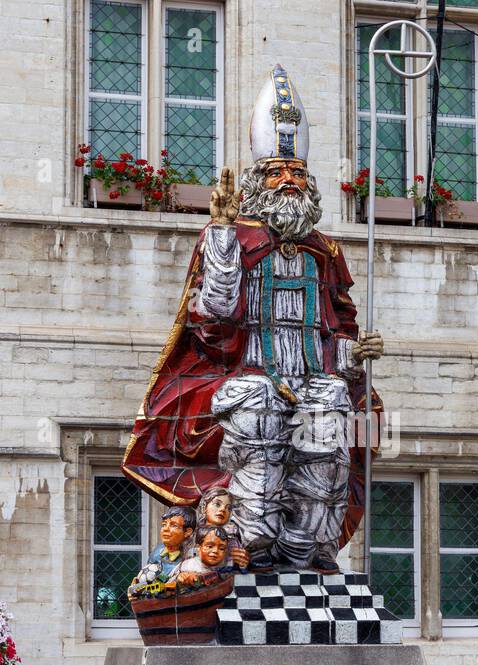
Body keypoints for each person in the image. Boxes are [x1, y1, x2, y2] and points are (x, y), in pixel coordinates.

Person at [121, 65, 383, 574]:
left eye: (298, 174)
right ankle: (248, 547)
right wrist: (219, 231)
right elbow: (214, 315)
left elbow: (337, 334)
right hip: (244, 376)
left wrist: (357, 355)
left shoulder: (324, 251)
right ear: (256, 183)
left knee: (330, 414)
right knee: (259, 417)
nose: (289, 180)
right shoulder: (231, 239)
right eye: (277, 173)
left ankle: (309, 552)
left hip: (312, 379)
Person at [127, 506, 195, 598]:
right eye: (164, 524)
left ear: (187, 532)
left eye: (173, 525)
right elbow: (150, 580)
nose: (165, 529)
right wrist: (135, 589)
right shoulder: (157, 552)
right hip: (155, 596)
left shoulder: (191, 557)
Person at [195, 487, 249, 570]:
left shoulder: (232, 541)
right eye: (217, 504)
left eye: (228, 508)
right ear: (204, 508)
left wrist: (242, 563)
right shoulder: (192, 535)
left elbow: (237, 567)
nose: (223, 509)